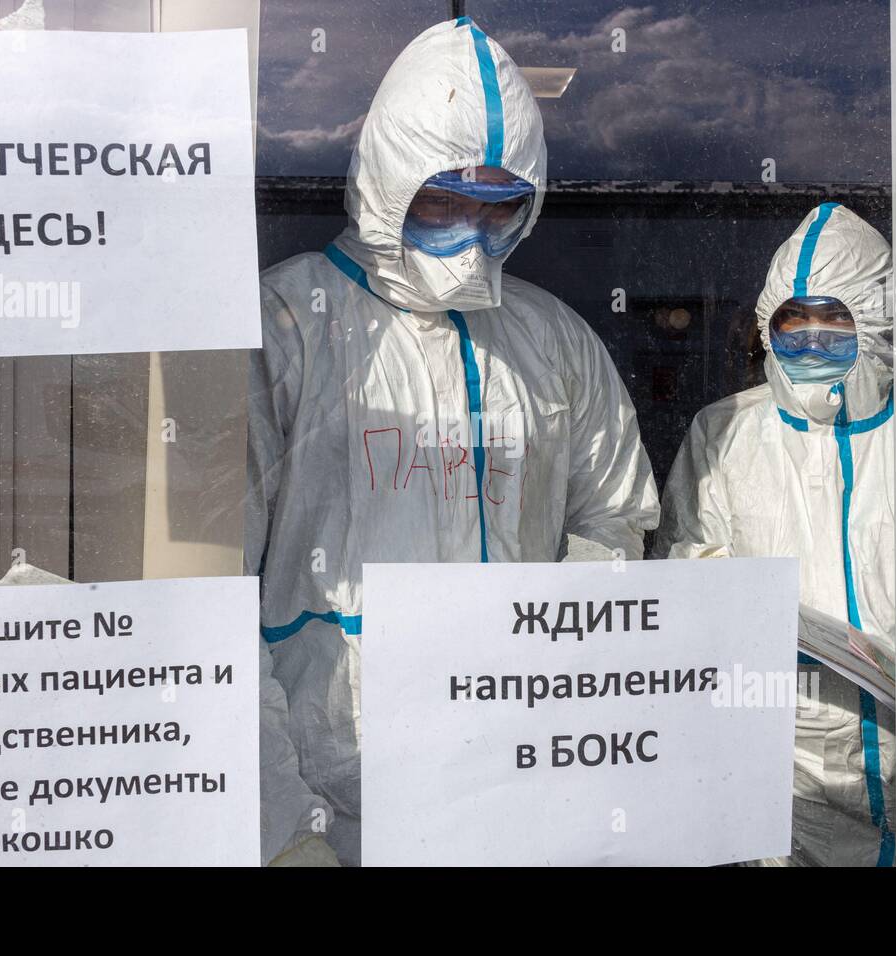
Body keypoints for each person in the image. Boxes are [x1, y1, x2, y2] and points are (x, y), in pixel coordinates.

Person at [249, 18, 660, 866]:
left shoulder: (553, 340)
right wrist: (280, 819)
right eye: (441, 199)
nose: (470, 229)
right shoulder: (284, 330)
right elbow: (209, 602)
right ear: (387, 179)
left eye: (499, 204)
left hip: (521, 787)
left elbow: (613, 522)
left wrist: (568, 688)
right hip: (339, 796)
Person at [654, 202, 896, 866]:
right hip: (789, 773)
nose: (811, 340)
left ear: (877, 319)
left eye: (834, 319)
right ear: (766, 324)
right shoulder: (726, 432)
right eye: (794, 320)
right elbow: (683, 570)